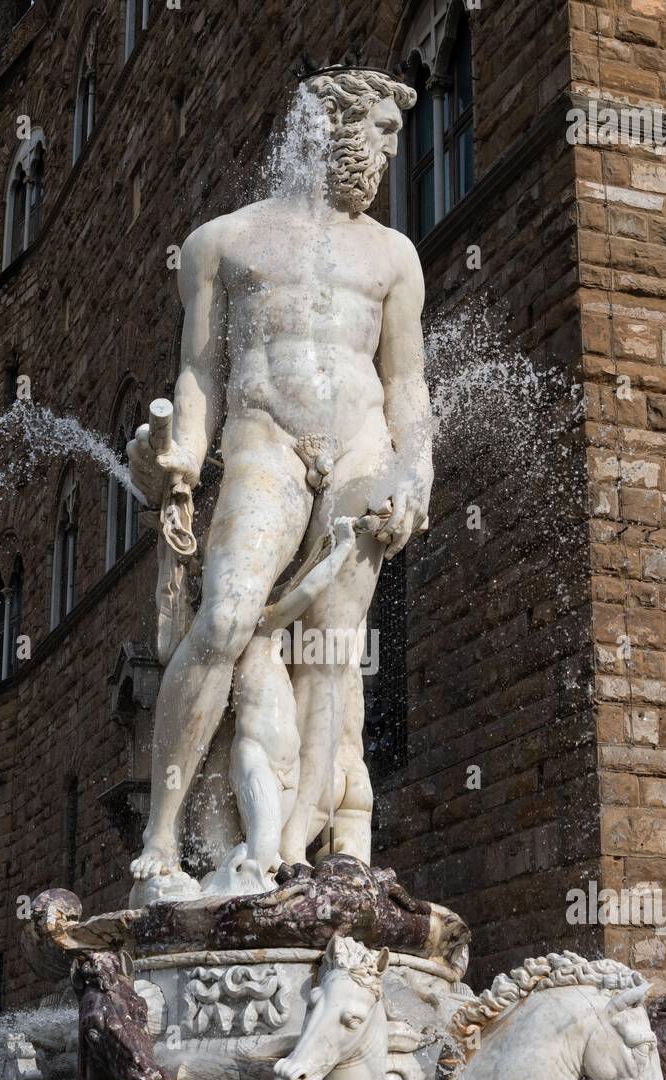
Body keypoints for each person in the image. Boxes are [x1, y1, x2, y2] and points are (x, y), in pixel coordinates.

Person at [127, 66, 432, 898]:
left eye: (394, 140)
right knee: (225, 618)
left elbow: (406, 384)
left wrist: (416, 469)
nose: (387, 153)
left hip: (362, 445)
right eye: (379, 132)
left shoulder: (394, 256)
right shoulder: (221, 241)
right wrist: (180, 456)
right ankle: (162, 831)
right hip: (265, 440)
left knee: (334, 648)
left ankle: (294, 849)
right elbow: (201, 375)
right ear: (332, 128)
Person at [205, 516, 358, 894]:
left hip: (289, 766)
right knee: (262, 851)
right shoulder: (258, 628)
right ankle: (229, 905)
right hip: (257, 757)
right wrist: (340, 550)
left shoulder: (276, 643)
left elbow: (297, 591)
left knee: (275, 863)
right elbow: (304, 593)